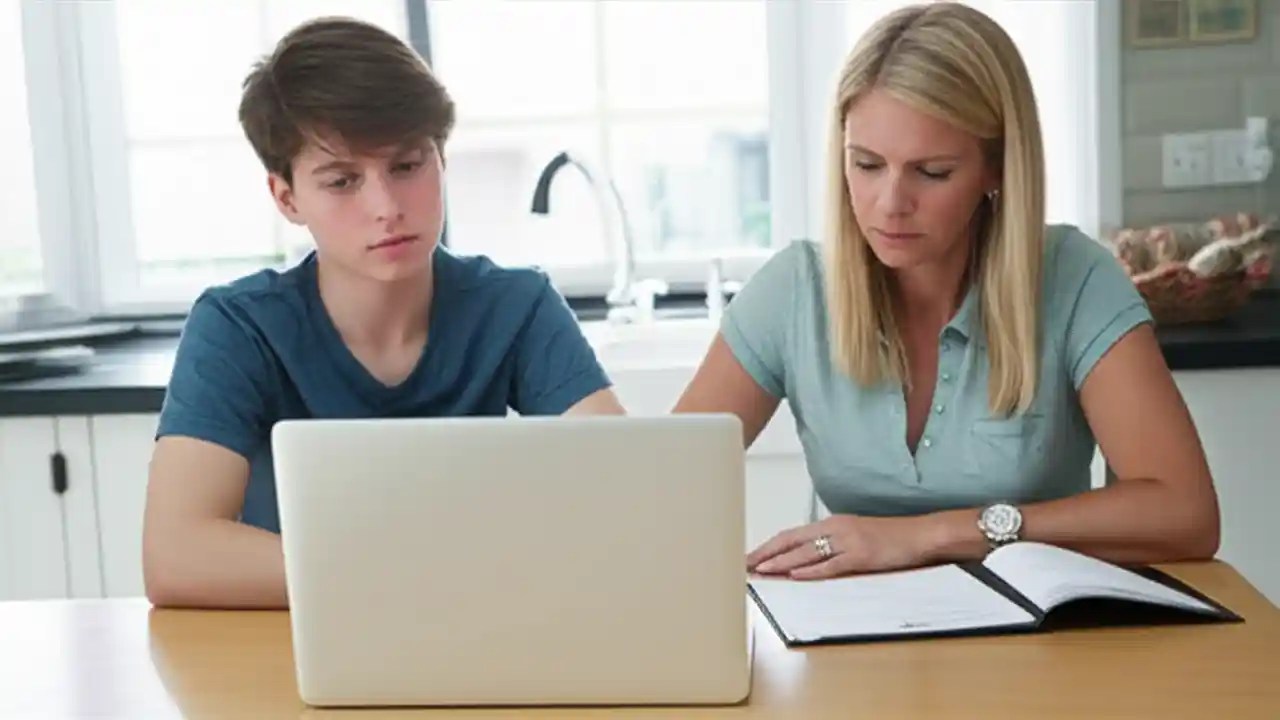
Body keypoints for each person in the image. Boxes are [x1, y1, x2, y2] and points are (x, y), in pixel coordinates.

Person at [674, 2, 1219, 580]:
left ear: (997, 169)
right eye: (866, 165)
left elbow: (1186, 515)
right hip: (858, 648)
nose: (890, 203)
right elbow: (655, 484)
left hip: (1045, 649)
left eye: (931, 172)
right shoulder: (794, 291)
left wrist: (926, 536)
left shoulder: (1075, 279)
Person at [143, 18, 624, 609]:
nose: (387, 207)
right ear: (287, 197)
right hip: (296, 645)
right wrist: (428, 573)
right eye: (342, 181)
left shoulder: (516, 304)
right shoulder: (239, 325)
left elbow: (619, 489)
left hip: (476, 632)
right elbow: (176, 556)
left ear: (442, 159)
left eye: (407, 166)